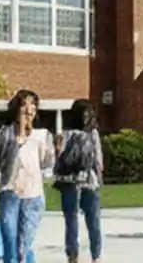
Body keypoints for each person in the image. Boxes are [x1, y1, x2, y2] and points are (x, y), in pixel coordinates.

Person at [0, 89, 55, 263]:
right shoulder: (4, 134)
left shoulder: (42, 135)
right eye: (24, 105)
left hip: (33, 197)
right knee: (10, 245)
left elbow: (48, 164)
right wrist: (21, 137)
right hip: (10, 193)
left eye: (33, 105)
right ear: (16, 109)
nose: (29, 109)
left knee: (23, 247)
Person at [53, 98, 104, 263]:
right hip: (89, 180)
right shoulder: (93, 133)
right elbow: (98, 160)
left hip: (69, 181)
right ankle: (95, 256)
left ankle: (73, 256)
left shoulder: (65, 133)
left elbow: (58, 157)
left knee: (72, 219)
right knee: (92, 219)